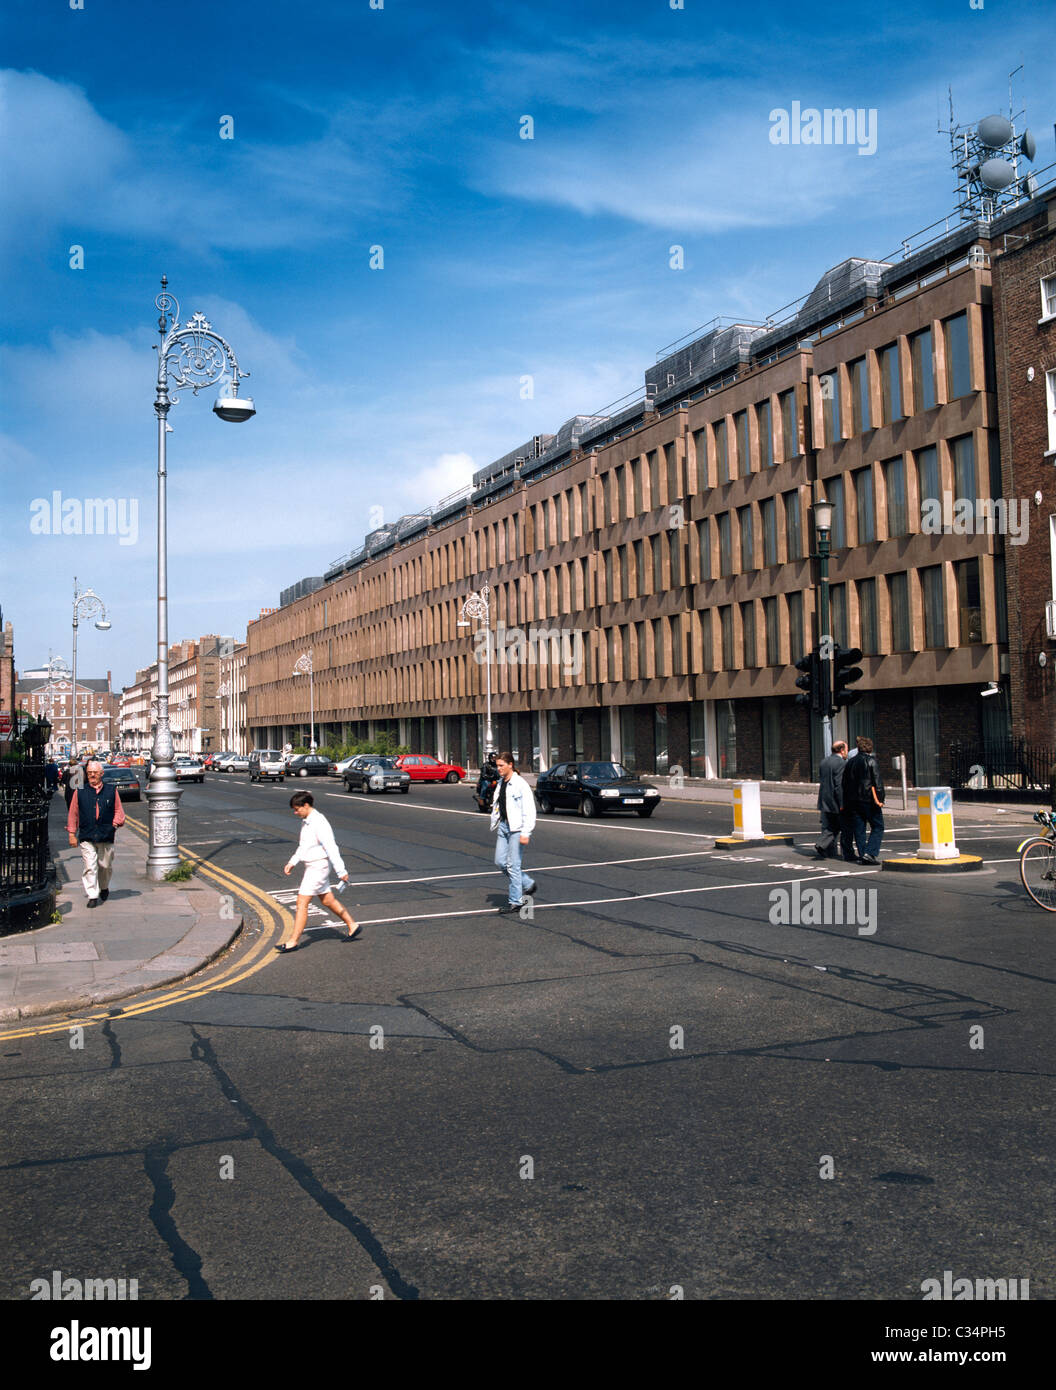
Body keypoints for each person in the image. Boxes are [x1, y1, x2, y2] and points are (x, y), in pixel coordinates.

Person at [278, 790, 360, 952]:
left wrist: (341, 870)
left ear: (306, 805)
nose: (295, 813)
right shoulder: (306, 821)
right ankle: (353, 925)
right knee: (327, 900)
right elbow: (304, 845)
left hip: (318, 867)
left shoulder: (319, 822)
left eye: (297, 809)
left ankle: (293, 941)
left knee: (301, 902)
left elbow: (331, 846)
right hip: (312, 866)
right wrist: (292, 862)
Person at [67, 759, 125, 908]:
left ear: (101, 774)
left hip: (106, 834)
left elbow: (118, 810)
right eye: (89, 773)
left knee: (105, 866)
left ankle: (104, 887)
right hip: (87, 834)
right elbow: (73, 813)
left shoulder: (111, 790)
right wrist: (72, 834)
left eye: (95, 773)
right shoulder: (79, 791)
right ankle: (92, 895)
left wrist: (115, 824)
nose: (92, 775)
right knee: (90, 866)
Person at [491, 751, 537, 914]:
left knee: (513, 865)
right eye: (497, 766)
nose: (499, 769)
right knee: (500, 862)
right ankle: (528, 883)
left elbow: (529, 810)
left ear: (510, 765)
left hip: (517, 829)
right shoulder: (501, 782)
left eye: (501, 765)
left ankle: (516, 902)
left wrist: (526, 832)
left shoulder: (520, 784)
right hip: (504, 826)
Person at [843, 735, 885, 864]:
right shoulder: (871, 761)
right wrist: (880, 799)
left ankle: (862, 854)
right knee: (878, 826)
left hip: (853, 800)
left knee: (859, 828)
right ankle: (870, 853)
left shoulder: (850, 762)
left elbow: (845, 783)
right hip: (869, 800)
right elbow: (877, 783)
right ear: (870, 748)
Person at [815, 740, 850, 859]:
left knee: (829, 825)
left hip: (824, 799)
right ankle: (823, 845)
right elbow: (839, 785)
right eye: (846, 749)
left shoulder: (824, 761)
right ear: (842, 750)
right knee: (841, 826)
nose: (847, 752)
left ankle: (828, 850)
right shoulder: (841, 763)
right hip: (835, 800)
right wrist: (842, 803)